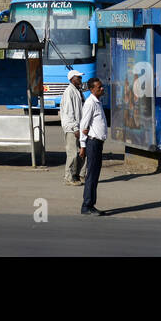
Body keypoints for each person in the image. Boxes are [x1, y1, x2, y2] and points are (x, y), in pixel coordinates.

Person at [78, 78, 109, 216]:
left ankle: (91, 204)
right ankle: (87, 206)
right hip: (92, 143)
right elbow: (83, 126)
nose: (102, 89)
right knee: (91, 175)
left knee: (95, 175)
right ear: (91, 89)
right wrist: (83, 146)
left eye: (101, 86)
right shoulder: (90, 103)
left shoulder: (97, 102)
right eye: (99, 87)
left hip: (97, 143)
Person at [60, 70, 85, 186]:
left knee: (82, 153)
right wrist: (75, 128)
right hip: (71, 128)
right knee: (73, 153)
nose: (80, 80)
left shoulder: (78, 91)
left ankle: (77, 175)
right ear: (72, 79)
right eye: (78, 78)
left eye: (80, 78)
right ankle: (69, 177)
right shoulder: (69, 91)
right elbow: (69, 112)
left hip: (79, 126)